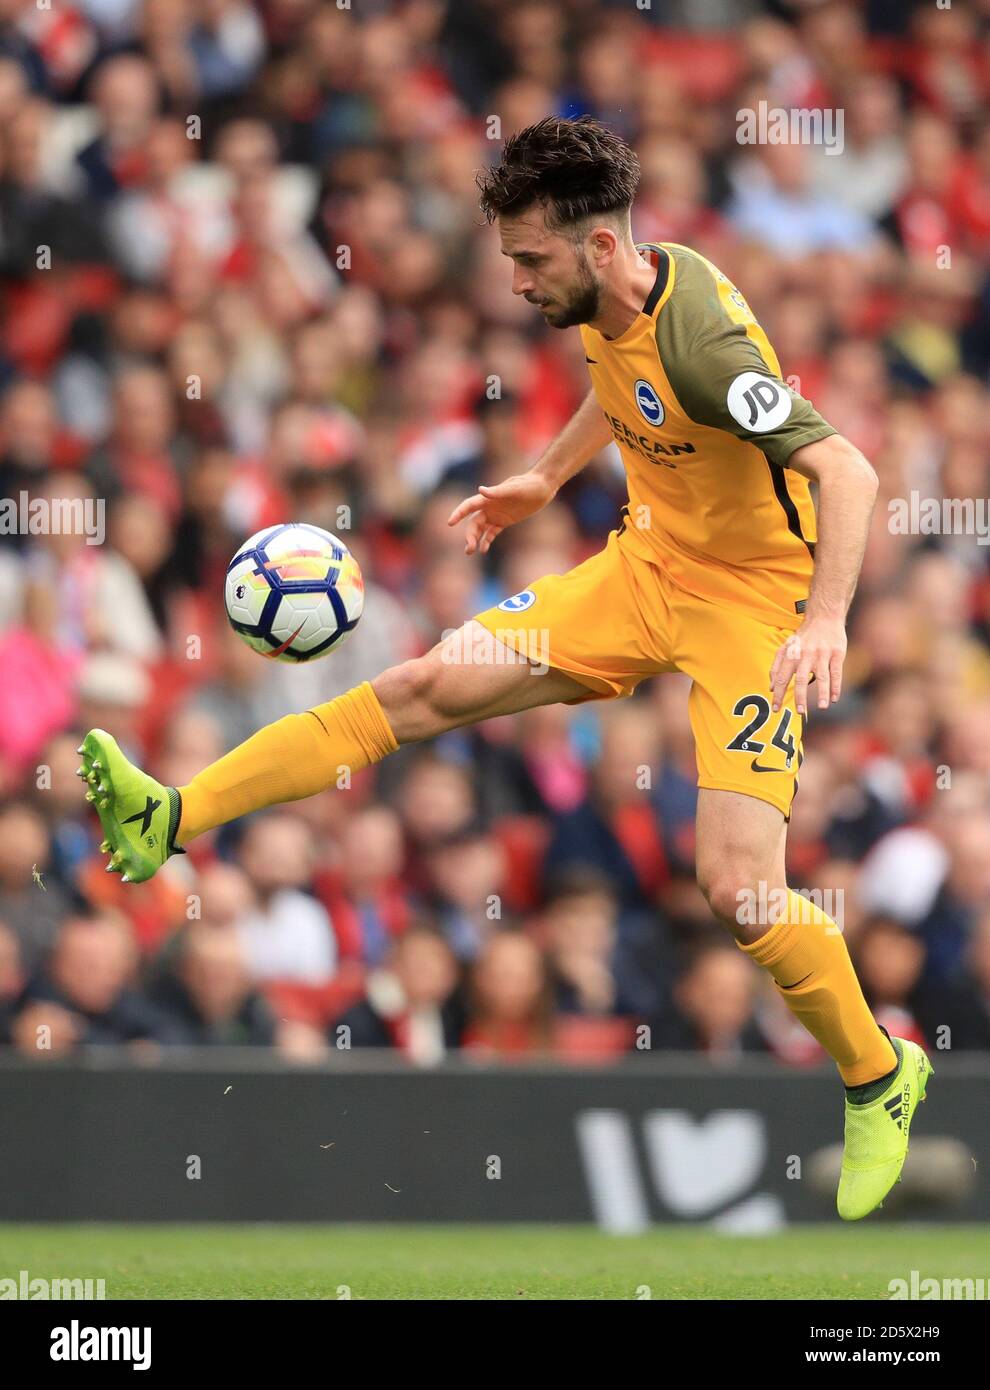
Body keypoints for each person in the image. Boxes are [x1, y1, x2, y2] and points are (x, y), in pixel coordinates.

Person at [75, 115, 932, 1221]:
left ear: (603, 247)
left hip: (755, 613)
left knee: (741, 890)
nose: (517, 280)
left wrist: (826, 620)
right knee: (417, 688)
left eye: (530, 258)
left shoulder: (704, 340)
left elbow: (848, 470)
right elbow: (621, 390)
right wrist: (543, 475)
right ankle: (170, 813)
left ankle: (877, 1072)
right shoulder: (609, 299)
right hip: (643, 571)